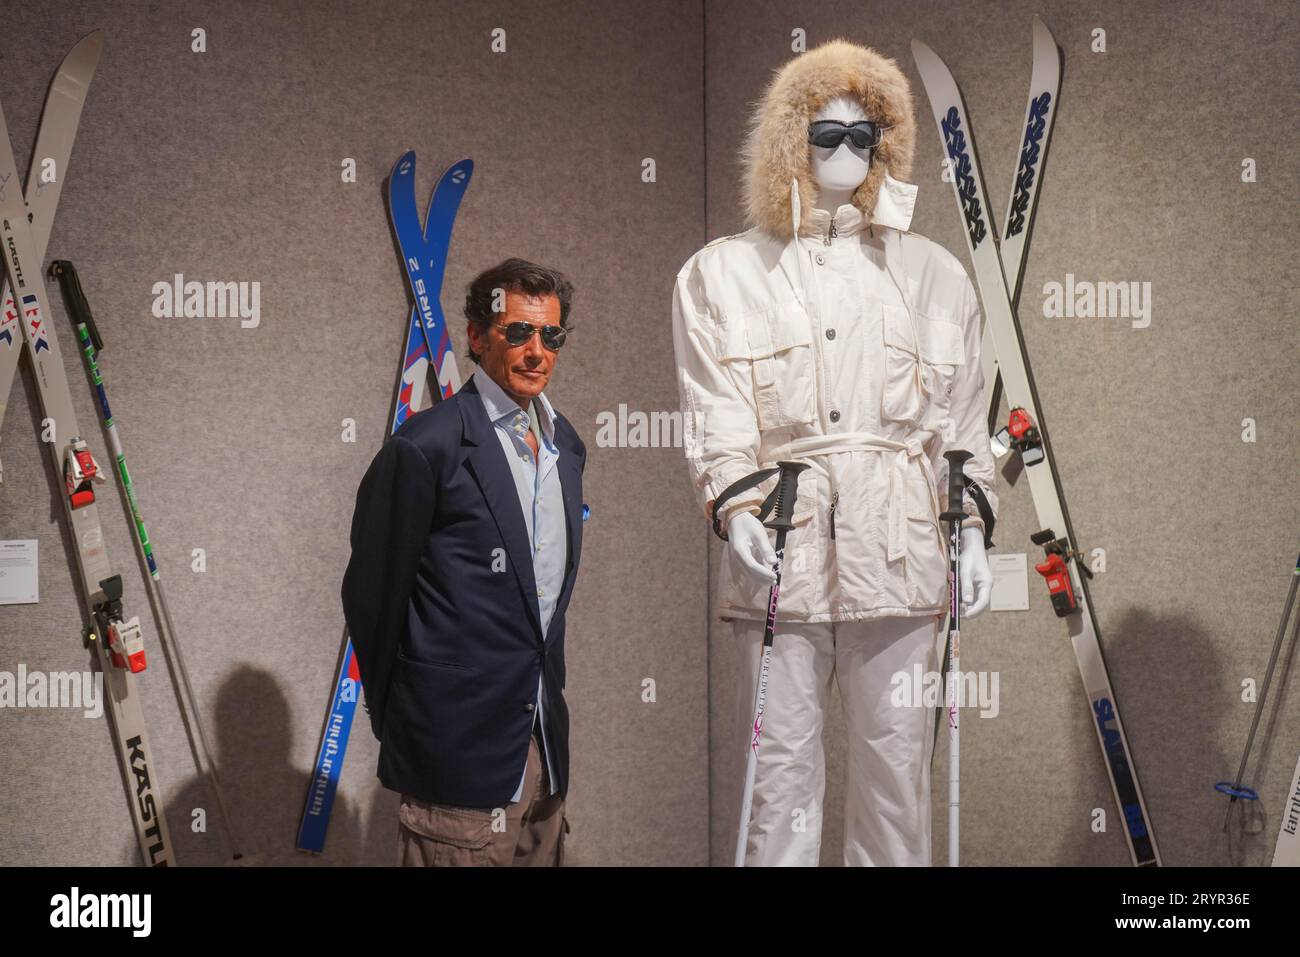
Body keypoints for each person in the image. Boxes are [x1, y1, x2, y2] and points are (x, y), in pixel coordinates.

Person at [671, 40, 997, 866]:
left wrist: (969, 533)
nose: (849, 153)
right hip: (781, 552)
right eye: (827, 134)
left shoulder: (937, 276)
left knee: (896, 787)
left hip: (902, 556)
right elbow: (716, 413)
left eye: (867, 135)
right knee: (777, 784)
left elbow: (959, 424)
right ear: (791, 138)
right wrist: (736, 505)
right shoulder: (722, 273)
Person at [342, 257, 585, 866]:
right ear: (477, 337)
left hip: (542, 750)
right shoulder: (425, 447)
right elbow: (372, 599)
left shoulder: (568, 447)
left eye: (550, 335)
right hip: (454, 752)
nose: (536, 351)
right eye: (518, 332)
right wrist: (413, 717)